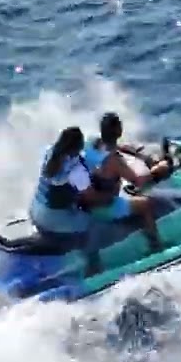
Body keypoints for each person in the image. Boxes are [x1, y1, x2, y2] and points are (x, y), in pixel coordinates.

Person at [81, 112, 169, 254]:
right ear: (119, 130)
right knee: (145, 204)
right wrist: (159, 169)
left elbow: (117, 147)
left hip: (87, 200)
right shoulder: (114, 161)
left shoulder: (92, 144)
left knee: (124, 189)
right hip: (103, 207)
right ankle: (156, 245)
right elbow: (139, 181)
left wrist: (141, 155)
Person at [29, 126, 109, 273]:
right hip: (54, 221)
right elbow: (92, 197)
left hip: (35, 213)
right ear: (77, 147)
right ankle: (93, 266)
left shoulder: (50, 152)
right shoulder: (76, 171)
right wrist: (109, 197)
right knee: (93, 224)